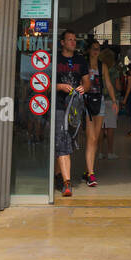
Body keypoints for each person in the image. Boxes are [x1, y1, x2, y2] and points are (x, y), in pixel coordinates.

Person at [54, 29, 90, 198]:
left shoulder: (80, 60)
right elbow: (44, 84)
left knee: (68, 141)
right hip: (59, 106)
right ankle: (67, 184)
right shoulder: (55, 59)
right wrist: (59, 86)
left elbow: (87, 82)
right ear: (62, 42)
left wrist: (84, 88)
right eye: (69, 40)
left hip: (75, 108)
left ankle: (58, 175)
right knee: (63, 141)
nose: (73, 42)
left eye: (75, 40)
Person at [81, 35, 105, 187]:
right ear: (89, 50)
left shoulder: (102, 66)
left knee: (95, 138)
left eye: (98, 49)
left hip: (100, 101)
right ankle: (90, 174)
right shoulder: (84, 65)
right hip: (87, 102)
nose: (96, 51)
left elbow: (107, 83)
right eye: (94, 49)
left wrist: (115, 101)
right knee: (91, 138)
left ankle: (88, 170)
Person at [99, 44, 120, 159]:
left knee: (101, 128)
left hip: (100, 99)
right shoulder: (114, 70)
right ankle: (110, 152)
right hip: (112, 100)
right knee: (111, 127)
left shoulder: (100, 68)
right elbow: (117, 86)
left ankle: (101, 152)